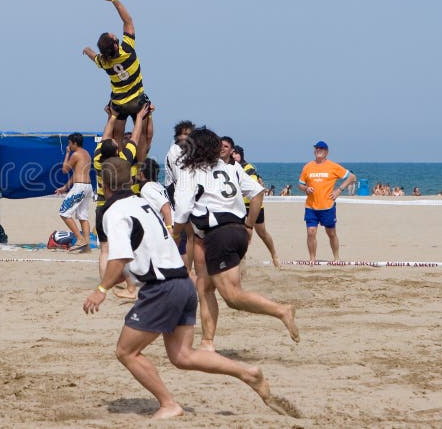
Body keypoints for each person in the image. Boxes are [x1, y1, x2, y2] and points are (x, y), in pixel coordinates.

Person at [82, 157, 298, 420]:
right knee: (183, 355)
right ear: (131, 178)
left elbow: (120, 258)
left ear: (103, 185)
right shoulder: (143, 203)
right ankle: (248, 373)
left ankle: (169, 404)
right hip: (184, 284)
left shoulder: (113, 213)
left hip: (162, 288)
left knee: (126, 351)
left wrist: (101, 289)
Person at [174, 128, 299, 352]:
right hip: (235, 232)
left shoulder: (190, 171)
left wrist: (174, 238)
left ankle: (281, 310)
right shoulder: (231, 168)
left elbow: (182, 211)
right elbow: (258, 193)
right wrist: (249, 225)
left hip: (219, 235)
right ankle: (207, 343)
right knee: (204, 287)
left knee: (232, 296)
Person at [82, 0, 154, 162]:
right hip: (137, 100)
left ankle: (120, 167)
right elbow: (128, 20)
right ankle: (139, 171)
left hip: (119, 103)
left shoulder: (104, 62)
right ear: (116, 44)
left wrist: (87, 49)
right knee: (143, 137)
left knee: (118, 139)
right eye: (113, 36)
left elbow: (93, 56)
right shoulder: (127, 50)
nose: (115, 34)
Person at [93, 103, 149, 300]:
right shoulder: (124, 160)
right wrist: (140, 117)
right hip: (119, 209)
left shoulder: (98, 161)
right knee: (126, 249)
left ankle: (104, 284)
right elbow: (134, 137)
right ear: (117, 150)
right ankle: (130, 287)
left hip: (101, 208)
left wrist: (112, 117)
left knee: (104, 249)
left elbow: (106, 137)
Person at [298, 141, 356, 264]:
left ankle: (336, 258)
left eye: (321, 149)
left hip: (327, 206)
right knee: (311, 232)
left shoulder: (333, 166)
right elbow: (300, 184)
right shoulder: (307, 166)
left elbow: (352, 177)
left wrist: (339, 190)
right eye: (316, 148)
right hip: (311, 206)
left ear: (326, 152)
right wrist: (306, 189)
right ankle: (312, 259)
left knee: (331, 233)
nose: (318, 150)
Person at [231, 144, 280, 269]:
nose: (235, 155)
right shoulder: (229, 167)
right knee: (243, 237)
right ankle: (242, 264)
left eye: (237, 153)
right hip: (239, 207)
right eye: (233, 153)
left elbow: (252, 186)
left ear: (241, 155)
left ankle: (274, 255)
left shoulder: (248, 167)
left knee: (262, 233)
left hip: (254, 205)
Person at [164, 120, 196, 273]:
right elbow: (181, 179)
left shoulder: (192, 152)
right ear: (176, 136)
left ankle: (187, 269)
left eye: (189, 134)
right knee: (183, 236)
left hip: (189, 196)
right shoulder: (175, 151)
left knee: (190, 236)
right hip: (177, 196)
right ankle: (185, 270)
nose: (185, 137)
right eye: (182, 134)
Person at [55, 133, 93, 252]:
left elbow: (65, 170)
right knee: (83, 216)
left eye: (69, 143)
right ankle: (86, 247)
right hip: (88, 186)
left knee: (64, 212)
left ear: (74, 143)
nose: (68, 146)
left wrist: (67, 153)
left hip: (80, 187)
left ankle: (80, 238)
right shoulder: (86, 153)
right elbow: (77, 173)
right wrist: (65, 187)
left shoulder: (75, 154)